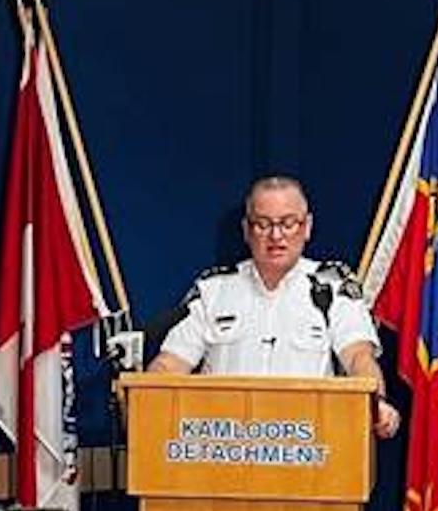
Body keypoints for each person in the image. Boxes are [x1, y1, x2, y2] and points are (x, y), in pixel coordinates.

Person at [148, 175, 401, 439]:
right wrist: (144, 397)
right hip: (224, 448)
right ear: (246, 229)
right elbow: (170, 364)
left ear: (307, 227)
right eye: (263, 224)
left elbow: (359, 357)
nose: (276, 235)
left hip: (309, 450)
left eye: (288, 223)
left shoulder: (333, 288)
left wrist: (376, 403)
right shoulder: (214, 290)